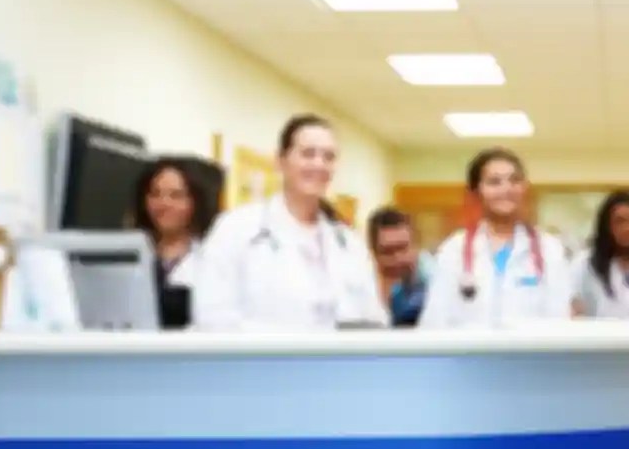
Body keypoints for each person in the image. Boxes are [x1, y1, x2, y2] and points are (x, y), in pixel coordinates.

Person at [193, 114, 386, 331]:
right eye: (308, 154)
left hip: (336, 363)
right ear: (280, 160)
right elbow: (212, 317)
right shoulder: (236, 229)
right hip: (261, 362)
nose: (319, 164)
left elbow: (374, 318)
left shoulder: (349, 243)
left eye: (329, 157)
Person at [421, 148, 571, 328]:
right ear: (477, 192)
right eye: (494, 182)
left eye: (514, 180)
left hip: (532, 354)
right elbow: (435, 320)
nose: (506, 189)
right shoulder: (454, 249)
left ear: (524, 188)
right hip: (470, 354)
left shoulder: (549, 248)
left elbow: (561, 319)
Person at [132, 157, 210, 329]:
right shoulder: (133, 254)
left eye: (176, 195)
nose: (163, 204)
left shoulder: (210, 258)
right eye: (155, 194)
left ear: (195, 202)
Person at [571, 190, 629, 319]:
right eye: (620, 221)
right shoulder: (586, 265)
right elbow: (575, 312)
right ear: (607, 226)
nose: (628, 228)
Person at [368, 207, 434, 327]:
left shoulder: (435, 283)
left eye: (403, 248)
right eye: (387, 252)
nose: (397, 259)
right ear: (374, 254)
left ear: (416, 246)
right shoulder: (363, 288)